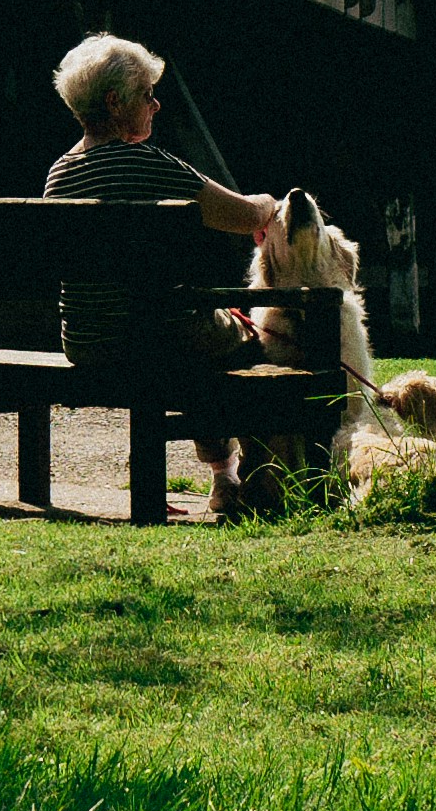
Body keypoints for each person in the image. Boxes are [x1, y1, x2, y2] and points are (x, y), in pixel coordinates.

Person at [43, 32, 276, 514]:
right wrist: (270, 206)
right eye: (147, 94)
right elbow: (244, 216)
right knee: (245, 341)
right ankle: (234, 475)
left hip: (87, 340)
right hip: (158, 338)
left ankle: (225, 475)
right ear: (114, 101)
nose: (157, 104)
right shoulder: (149, 164)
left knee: (185, 331)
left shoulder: (59, 174)